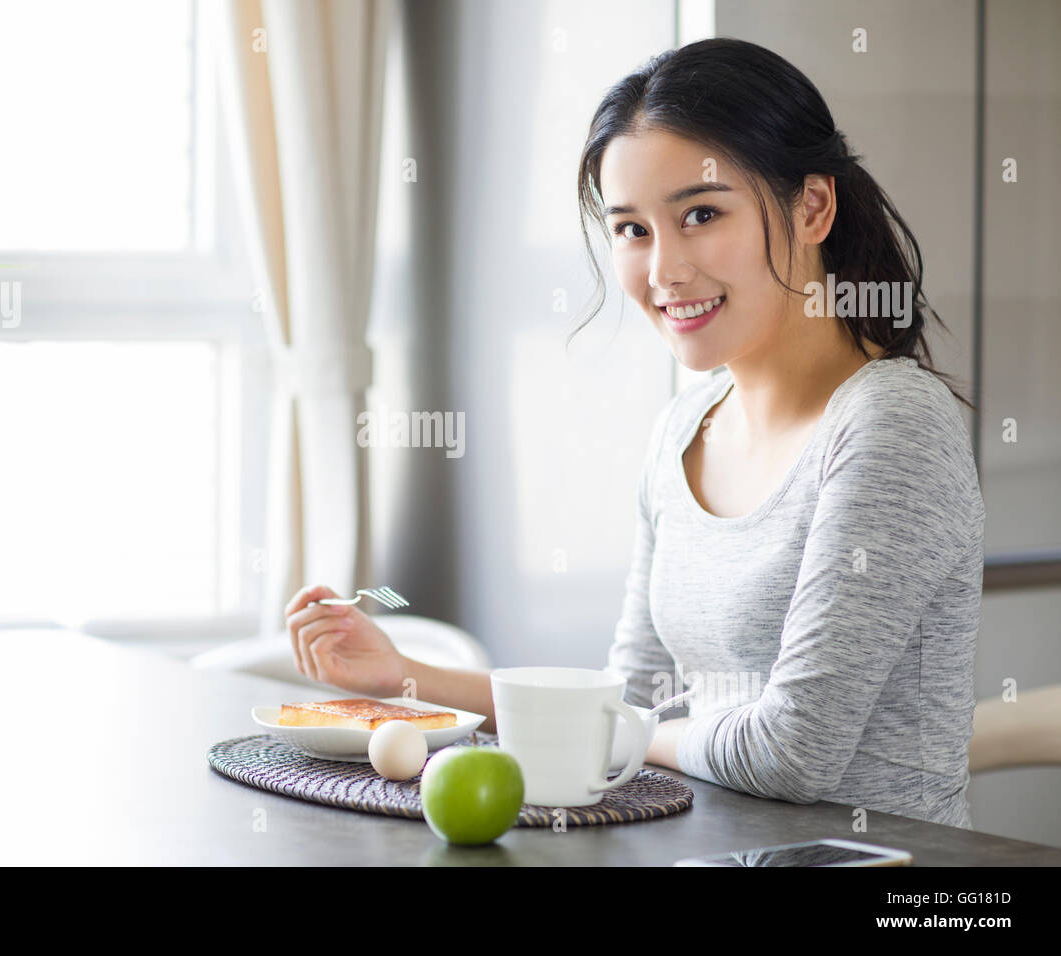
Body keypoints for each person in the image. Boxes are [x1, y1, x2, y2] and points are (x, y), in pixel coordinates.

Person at [285, 37, 984, 829]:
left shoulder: (890, 425)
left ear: (813, 207)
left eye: (701, 215)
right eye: (632, 230)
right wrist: (404, 676)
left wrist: (624, 737)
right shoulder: (685, 426)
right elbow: (630, 699)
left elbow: (795, 751)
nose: (663, 272)